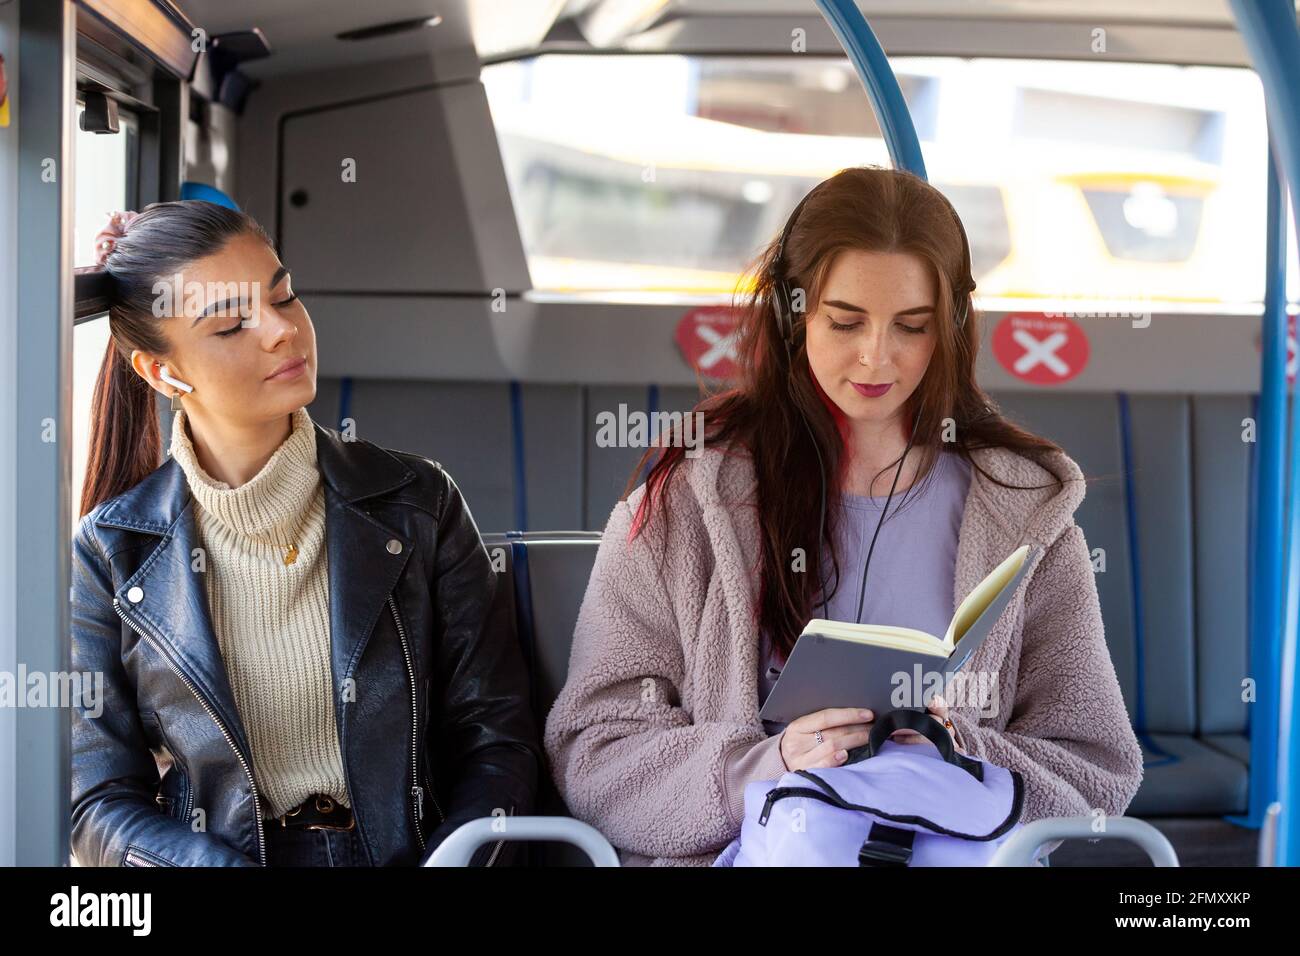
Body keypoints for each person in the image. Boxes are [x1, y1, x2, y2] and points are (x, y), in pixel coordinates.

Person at [544, 166, 1143, 866]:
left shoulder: (1023, 511)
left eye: (911, 327)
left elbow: (1096, 763)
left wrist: (954, 754)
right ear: (793, 313)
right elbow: (597, 747)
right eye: (846, 320)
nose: (876, 356)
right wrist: (766, 767)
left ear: (948, 326)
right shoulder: (690, 497)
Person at [71, 201, 539, 866]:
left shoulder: (418, 503)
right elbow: (97, 804)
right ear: (163, 371)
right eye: (232, 325)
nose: (280, 331)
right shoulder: (111, 550)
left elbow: (498, 741)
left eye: (284, 296)